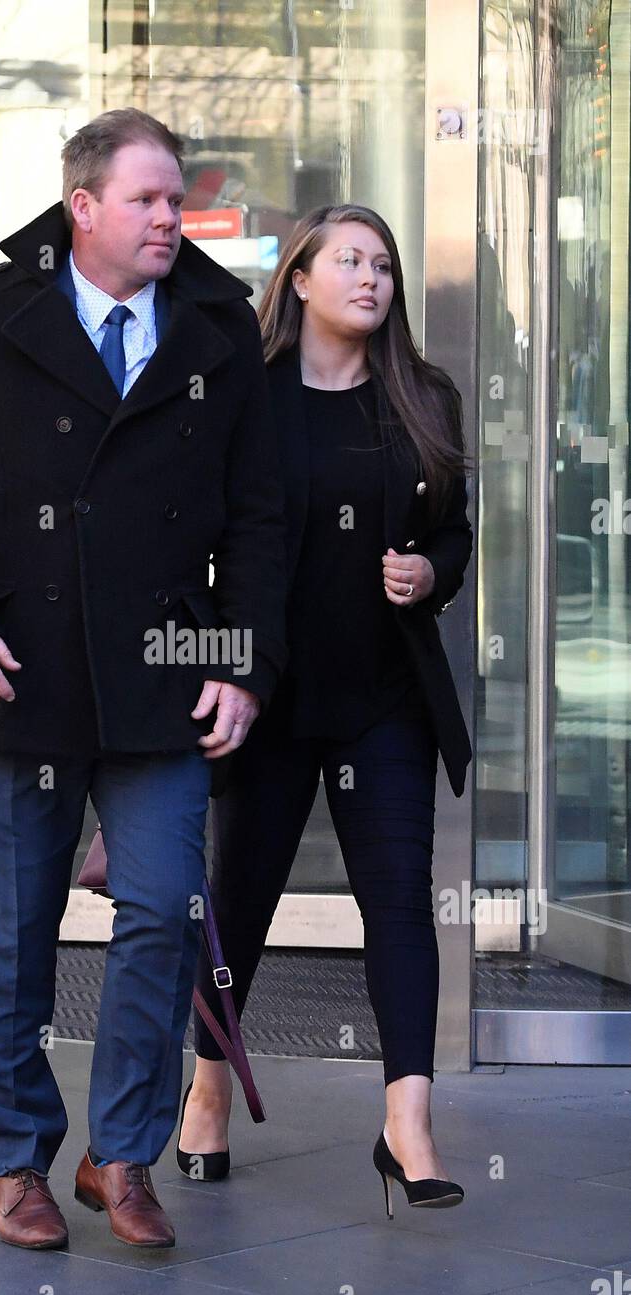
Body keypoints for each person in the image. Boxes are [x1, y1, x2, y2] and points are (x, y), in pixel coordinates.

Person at [0, 108, 287, 1250]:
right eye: (147, 199)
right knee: (13, 932)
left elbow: (257, 517)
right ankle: (18, 1160)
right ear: (82, 207)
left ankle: (121, 1154)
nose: (170, 217)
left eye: (176, 198)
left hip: (164, 676)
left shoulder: (214, 324)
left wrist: (236, 659)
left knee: (162, 905)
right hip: (15, 675)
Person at [178, 204, 472, 1217]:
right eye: (346, 260)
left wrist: (425, 568)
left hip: (381, 699)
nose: (369, 278)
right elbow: (195, 549)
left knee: (397, 901)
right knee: (240, 904)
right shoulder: (242, 400)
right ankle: (207, 1089)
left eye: (382, 264)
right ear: (297, 278)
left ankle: (407, 1125)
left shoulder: (420, 397)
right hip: (269, 697)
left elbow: (454, 535)